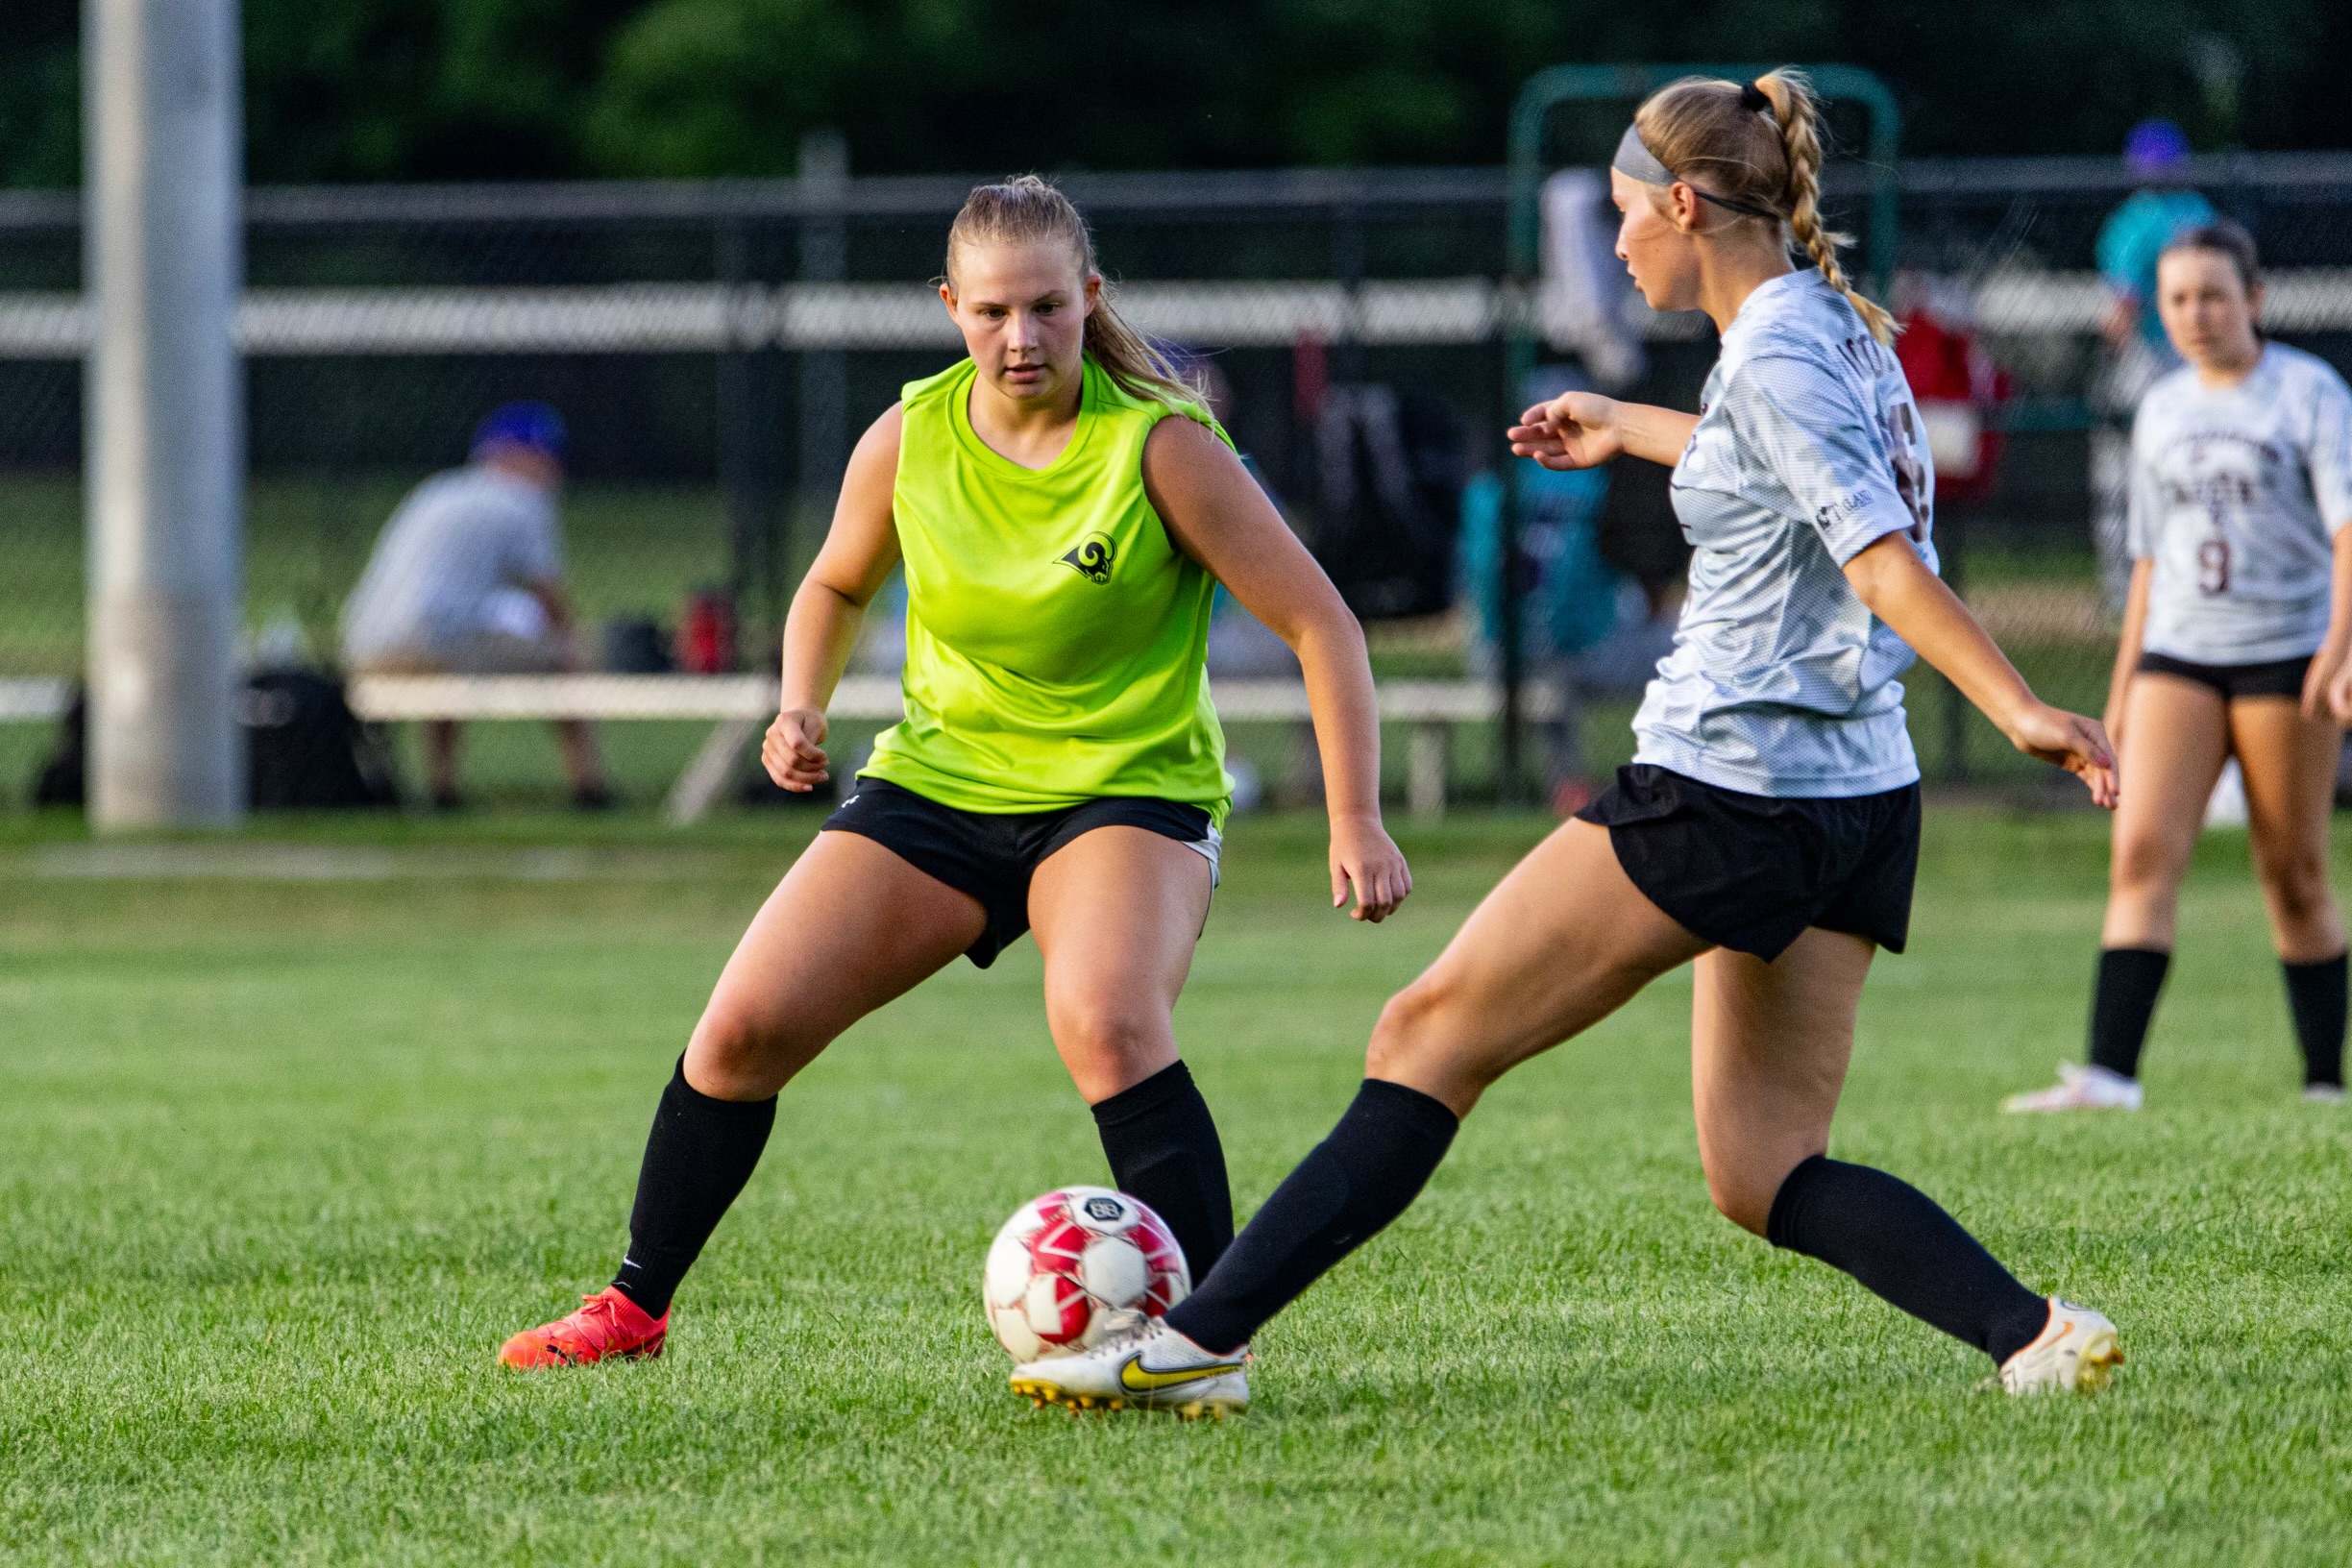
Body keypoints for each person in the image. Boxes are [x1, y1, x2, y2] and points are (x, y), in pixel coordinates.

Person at [1011, 71, 2125, 1419]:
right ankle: (2035, 1334)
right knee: (1763, 1166)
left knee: (1426, 1034)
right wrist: (1628, 431)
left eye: (1621, 217)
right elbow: (1761, 453)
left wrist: (2020, 712)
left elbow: (1881, 561)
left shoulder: (1774, 349)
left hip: (1733, 789)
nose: (1613, 248)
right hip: (1855, 799)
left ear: (1686, 202)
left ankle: (1192, 1345)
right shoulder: (1839, 327)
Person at [497, 176, 1410, 1369]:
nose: (1019, 339)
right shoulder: (911, 436)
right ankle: (631, 1311)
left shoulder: (1163, 449)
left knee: (1108, 1024)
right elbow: (831, 585)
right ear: (949, 308)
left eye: (1044, 308)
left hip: (1123, 793)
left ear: (1090, 299)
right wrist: (799, 705)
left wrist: (1357, 818)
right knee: (738, 1034)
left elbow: (1322, 624)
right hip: (941, 782)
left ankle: (1203, 1345)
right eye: (990, 313)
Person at [2005, 222, 2352, 1114]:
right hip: (2178, 658)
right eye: (2177, 300)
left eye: (2212, 296)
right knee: (2143, 854)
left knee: (2293, 872)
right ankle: (2110, 1075)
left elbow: (2348, 533)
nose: (2195, 315)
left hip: (2285, 657)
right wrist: (2119, 698)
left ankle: (2324, 1081)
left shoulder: (2308, 394)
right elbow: (2151, 567)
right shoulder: (2161, 406)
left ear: (2255, 300)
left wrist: (2339, 651)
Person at [340, 402, 611, 810]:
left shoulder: (438, 490)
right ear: (522, 456)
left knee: (454, 649)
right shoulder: (523, 502)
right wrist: (579, 644)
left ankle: (439, 788)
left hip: (363, 644)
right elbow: (552, 600)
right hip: (429, 648)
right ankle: (589, 787)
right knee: (562, 656)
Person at [2088, 122, 2216, 615]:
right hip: (2197, 361)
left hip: (2143, 361)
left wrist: (2103, 361)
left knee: (2119, 473)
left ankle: (2123, 597)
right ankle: (2189, 580)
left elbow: (2123, 307)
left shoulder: (2133, 220)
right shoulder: (2201, 214)